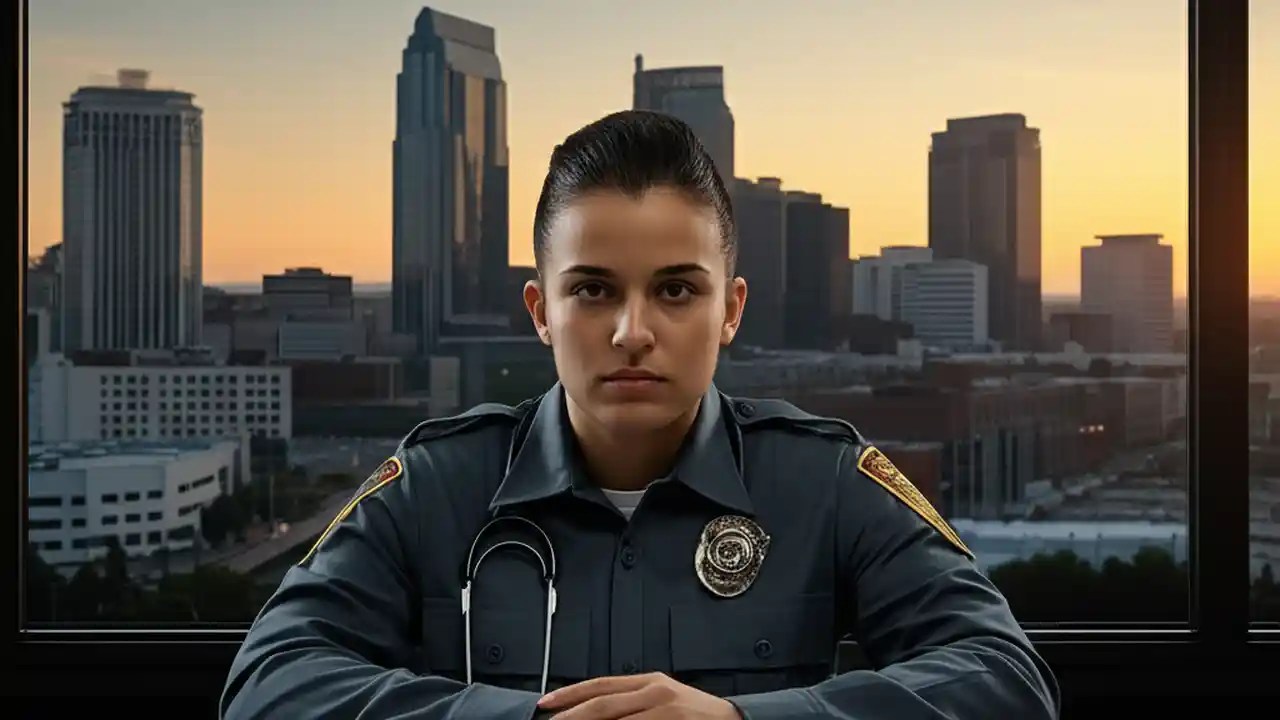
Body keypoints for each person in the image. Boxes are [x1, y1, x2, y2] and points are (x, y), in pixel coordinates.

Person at [220, 110, 1060, 719]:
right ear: (540, 311)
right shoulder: (438, 484)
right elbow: (269, 681)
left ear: (729, 311)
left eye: (675, 290)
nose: (632, 331)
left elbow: (1006, 679)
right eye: (591, 290)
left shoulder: (824, 482)